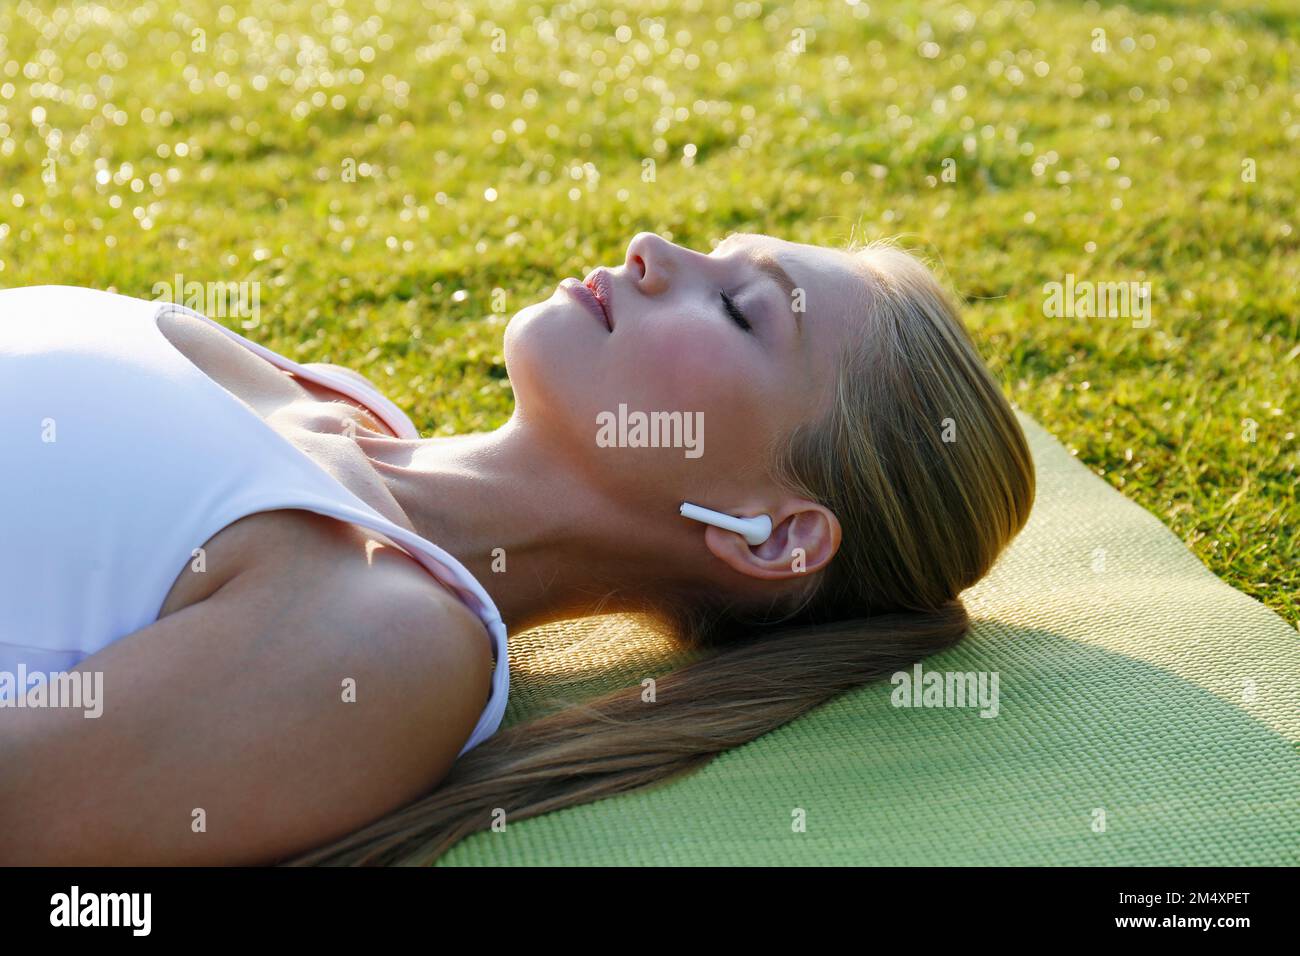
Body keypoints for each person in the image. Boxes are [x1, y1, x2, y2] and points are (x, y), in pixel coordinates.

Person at [0, 231, 1034, 865]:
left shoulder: (389, 638)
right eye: (712, 247)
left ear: (775, 536)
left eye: (735, 307)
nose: (648, 248)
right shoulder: (330, 402)